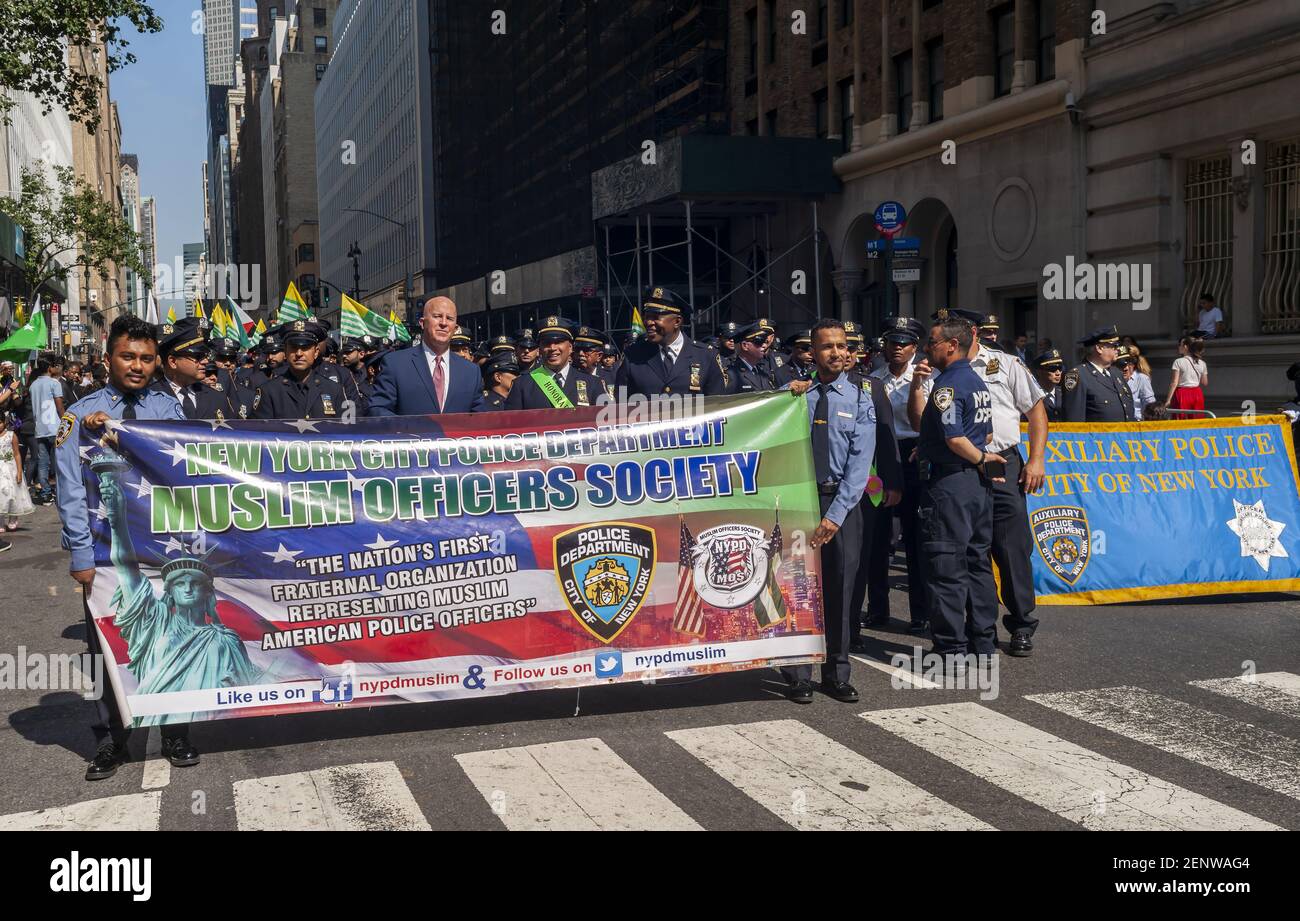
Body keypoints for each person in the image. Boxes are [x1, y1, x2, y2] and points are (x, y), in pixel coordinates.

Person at [54, 315, 199, 780]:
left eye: (146, 358)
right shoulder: (80, 415)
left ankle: (176, 730)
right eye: (127, 356)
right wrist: (80, 556)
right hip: (105, 552)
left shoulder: (169, 409)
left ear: (157, 361)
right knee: (107, 647)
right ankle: (112, 740)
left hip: (165, 548)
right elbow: (71, 490)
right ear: (108, 358)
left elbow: (187, 473)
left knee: (176, 637)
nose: (137, 366)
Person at [781, 319, 875, 704]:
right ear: (812, 352)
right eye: (827, 347)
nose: (836, 353)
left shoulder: (859, 399)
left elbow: (859, 465)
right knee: (797, 590)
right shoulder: (793, 397)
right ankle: (797, 673)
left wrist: (834, 517)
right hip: (797, 502)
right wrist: (785, 394)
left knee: (840, 589)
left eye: (841, 346)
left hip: (841, 505)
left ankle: (836, 673)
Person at [907, 316, 999, 664]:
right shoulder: (977, 382)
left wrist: (977, 459)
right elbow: (985, 434)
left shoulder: (947, 386)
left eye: (931, 342)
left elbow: (957, 438)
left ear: (951, 345)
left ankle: (950, 649)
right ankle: (983, 643)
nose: (927, 348)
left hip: (950, 486)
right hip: (976, 488)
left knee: (945, 565)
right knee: (977, 563)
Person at [968, 313, 1048, 657]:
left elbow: (1036, 412)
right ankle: (979, 628)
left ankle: (1021, 623)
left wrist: (1036, 459)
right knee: (973, 550)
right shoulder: (940, 367)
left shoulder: (1006, 363)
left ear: (971, 332)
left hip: (1005, 462)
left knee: (1012, 549)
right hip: (964, 466)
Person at [867, 317, 930, 634]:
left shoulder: (927, 379)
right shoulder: (873, 379)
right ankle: (878, 609)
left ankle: (921, 613)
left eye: (903, 343)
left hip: (914, 455)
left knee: (916, 539)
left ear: (915, 348)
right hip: (881, 458)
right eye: (892, 342)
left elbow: (925, 425)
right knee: (878, 539)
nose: (896, 348)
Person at [370, 296, 487, 415]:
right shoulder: (395, 364)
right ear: (422, 323)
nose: (444, 323)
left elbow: (479, 418)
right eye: (437, 316)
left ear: (455, 328)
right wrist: (407, 431)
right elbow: (378, 409)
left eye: (450, 318)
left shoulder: (471, 371)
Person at [614, 287, 727, 398]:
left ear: (677, 321)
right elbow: (621, 406)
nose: (648, 322)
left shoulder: (706, 356)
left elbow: (717, 405)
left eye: (655, 317)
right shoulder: (633, 355)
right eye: (647, 317)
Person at [252, 320, 352, 420]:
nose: (299, 353)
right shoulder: (269, 391)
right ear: (285, 351)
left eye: (305, 347)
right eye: (293, 347)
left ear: (316, 352)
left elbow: (345, 431)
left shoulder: (334, 390)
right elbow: (261, 433)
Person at [149, 318, 243, 421]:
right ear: (173, 362)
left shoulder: (216, 396)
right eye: (198, 356)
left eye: (206, 355)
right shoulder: (149, 396)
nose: (205, 361)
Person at [504, 317, 607, 409]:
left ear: (570, 347)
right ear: (540, 348)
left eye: (558, 342)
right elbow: (511, 426)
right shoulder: (522, 385)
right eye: (546, 343)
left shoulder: (592, 383)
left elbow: (604, 424)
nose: (552, 348)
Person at [1061, 326, 1136, 422]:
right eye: (1114, 345)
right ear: (1099, 348)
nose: (1117, 349)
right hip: (1098, 437)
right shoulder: (1077, 376)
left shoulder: (1116, 373)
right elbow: (1074, 422)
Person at [29, 354, 65, 505]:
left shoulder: (33, 385)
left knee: (43, 462)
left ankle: (45, 494)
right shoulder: (54, 383)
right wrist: (66, 423)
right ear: (50, 367)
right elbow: (59, 406)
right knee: (59, 462)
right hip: (55, 427)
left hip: (40, 429)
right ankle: (60, 492)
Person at [727, 321, 795, 394]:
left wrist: (788, 387)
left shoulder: (762, 371)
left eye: (765, 341)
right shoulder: (730, 375)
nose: (764, 345)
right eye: (759, 341)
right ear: (745, 346)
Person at [0, 412, 35, 546]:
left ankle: (13, 518)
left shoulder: (11, 436)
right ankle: (0, 521)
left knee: (12, 494)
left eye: (0, 422)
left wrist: (19, 472)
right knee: (1, 496)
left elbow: (17, 454)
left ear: (5, 422)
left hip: (10, 469)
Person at [1166, 334, 1208, 413]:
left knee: (1182, 419)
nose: (1179, 347)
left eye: (1180, 345)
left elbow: (1174, 383)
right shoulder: (1202, 363)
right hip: (1197, 393)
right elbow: (1204, 383)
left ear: (1185, 347)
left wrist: (1168, 400)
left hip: (1182, 393)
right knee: (1196, 420)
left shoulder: (1178, 361)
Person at [1117, 345, 1156, 419]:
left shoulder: (1142, 378)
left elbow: (1150, 403)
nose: (1126, 368)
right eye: (1122, 364)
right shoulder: (1113, 378)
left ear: (1134, 364)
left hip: (1137, 422)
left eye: (1129, 364)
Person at [1030, 349, 1065, 422]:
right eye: (1053, 368)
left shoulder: (1064, 393)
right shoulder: (1030, 395)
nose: (1058, 373)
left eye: (1060, 368)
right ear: (1039, 371)